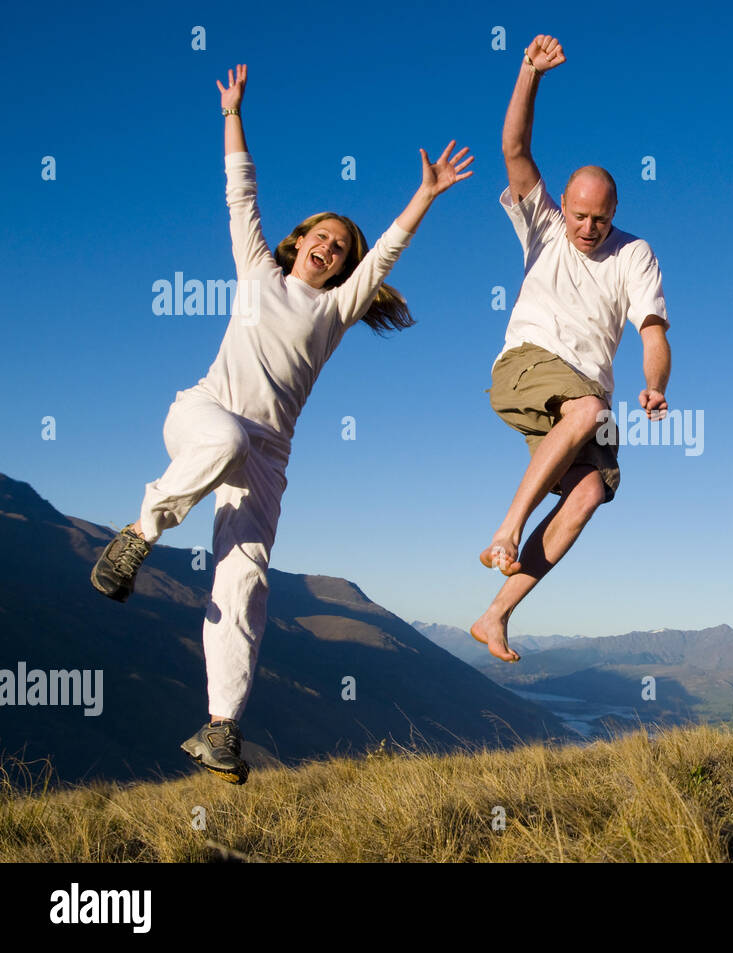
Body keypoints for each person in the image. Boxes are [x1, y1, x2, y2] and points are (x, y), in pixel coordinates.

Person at [89, 64, 473, 783]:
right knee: (223, 437)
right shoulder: (258, 271)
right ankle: (137, 536)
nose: (328, 248)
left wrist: (423, 195)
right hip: (202, 418)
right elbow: (241, 195)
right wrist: (232, 113)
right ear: (297, 242)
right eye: (320, 237)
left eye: (339, 248)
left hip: (266, 457)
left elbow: (386, 250)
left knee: (245, 578)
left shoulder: (333, 313)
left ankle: (221, 727)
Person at [471, 34, 671, 663]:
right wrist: (529, 72)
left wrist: (656, 383)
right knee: (584, 409)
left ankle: (496, 616)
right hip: (526, 365)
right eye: (579, 216)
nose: (587, 229)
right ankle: (506, 531)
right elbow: (514, 148)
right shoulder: (545, 226)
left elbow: (653, 330)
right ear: (566, 206)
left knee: (591, 492)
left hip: (587, 392)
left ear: (615, 211)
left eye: (600, 219)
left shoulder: (635, 254)